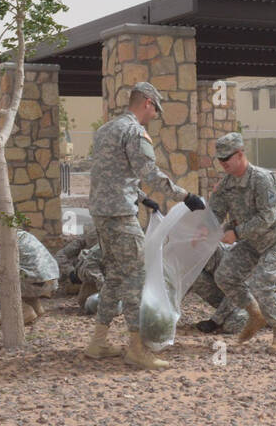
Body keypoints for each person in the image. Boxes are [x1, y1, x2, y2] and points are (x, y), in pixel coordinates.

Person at [84, 82, 206, 369]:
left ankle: (98, 342)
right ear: (147, 102)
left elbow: (111, 175)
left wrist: (142, 198)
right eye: (155, 110)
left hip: (101, 214)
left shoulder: (105, 130)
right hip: (120, 217)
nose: (154, 116)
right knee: (135, 278)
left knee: (114, 276)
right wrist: (185, 196)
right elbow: (149, 173)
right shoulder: (134, 131)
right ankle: (137, 348)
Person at [207, 132, 276, 351]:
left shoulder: (262, 179)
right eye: (219, 159)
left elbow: (270, 217)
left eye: (226, 158)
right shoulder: (226, 184)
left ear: (240, 154)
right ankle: (255, 315)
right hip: (252, 243)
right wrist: (199, 232)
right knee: (224, 276)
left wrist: (236, 233)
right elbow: (214, 214)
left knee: (261, 283)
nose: (223, 163)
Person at [193, 220, 276, 333]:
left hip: (254, 294)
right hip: (237, 292)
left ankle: (267, 317)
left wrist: (214, 321)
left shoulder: (253, 248)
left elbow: (243, 287)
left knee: (232, 323)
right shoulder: (230, 237)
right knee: (199, 278)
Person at [0, 216, 60, 324]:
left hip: (33, 280)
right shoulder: (2, 229)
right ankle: (35, 307)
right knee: (6, 275)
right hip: (49, 279)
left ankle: (22, 312)